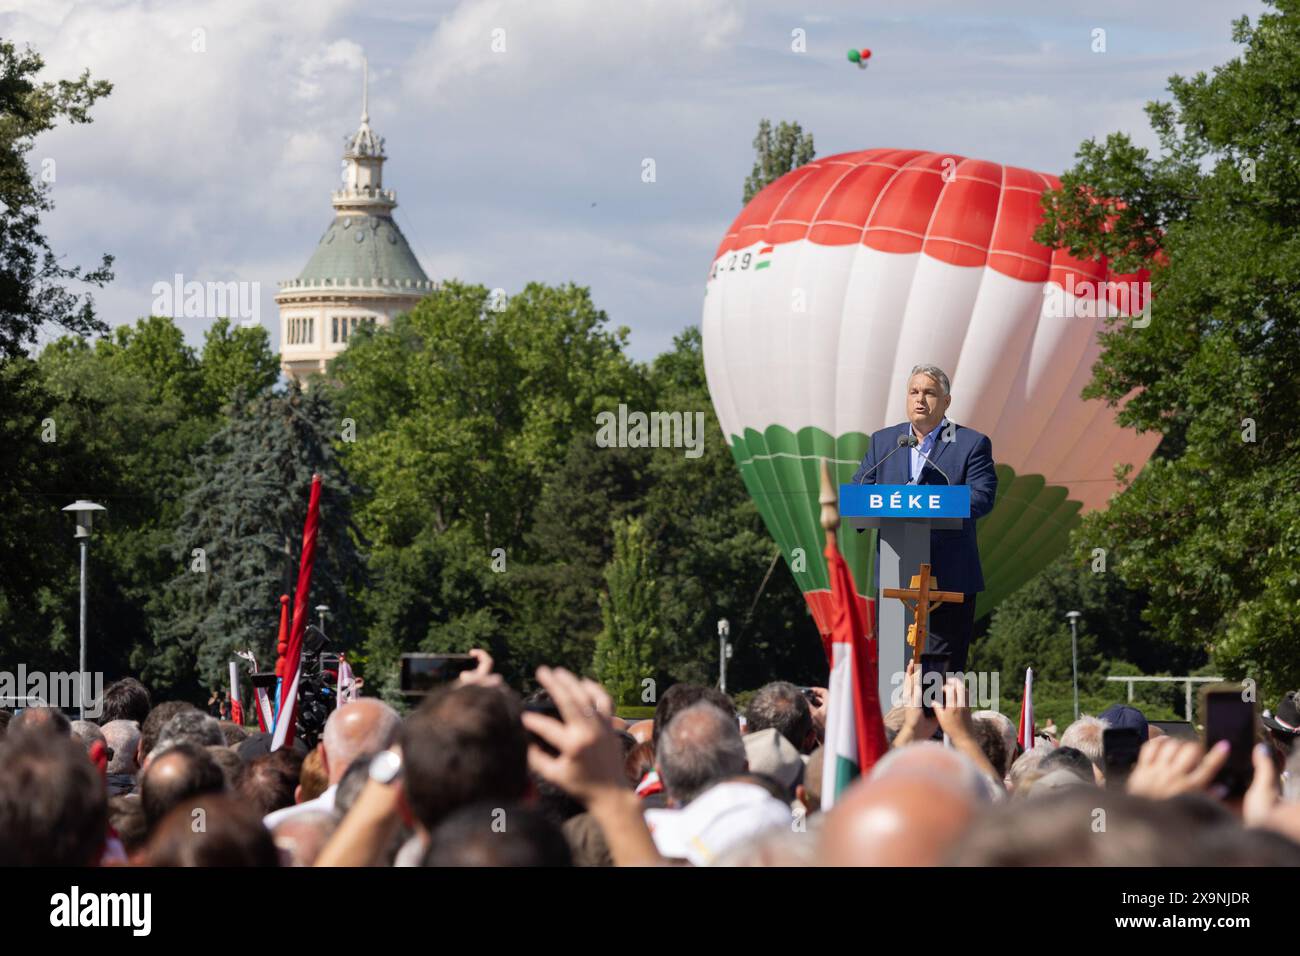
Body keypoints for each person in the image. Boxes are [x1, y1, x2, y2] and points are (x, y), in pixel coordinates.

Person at [849, 364, 998, 671]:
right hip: (895, 574)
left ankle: (940, 720)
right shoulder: (884, 442)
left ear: (946, 402)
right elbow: (858, 493)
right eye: (914, 392)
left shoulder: (971, 443)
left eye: (930, 393)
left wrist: (927, 503)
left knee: (938, 675)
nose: (920, 399)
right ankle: (896, 721)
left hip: (950, 577)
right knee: (893, 671)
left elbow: (982, 497)